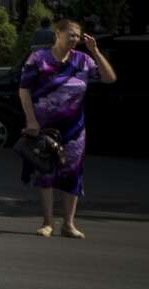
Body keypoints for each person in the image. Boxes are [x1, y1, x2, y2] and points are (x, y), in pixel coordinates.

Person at [17, 19, 117, 238]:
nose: (75, 39)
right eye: (70, 34)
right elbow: (24, 91)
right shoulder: (39, 59)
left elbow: (109, 78)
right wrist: (31, 120)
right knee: (45, 172)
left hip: (74, 129)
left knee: (72, 174)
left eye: (77, 36)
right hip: (44, 127)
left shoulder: (83, 60)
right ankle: (47, 223)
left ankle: (68, 224)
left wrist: (96, 51)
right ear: (58, 34)